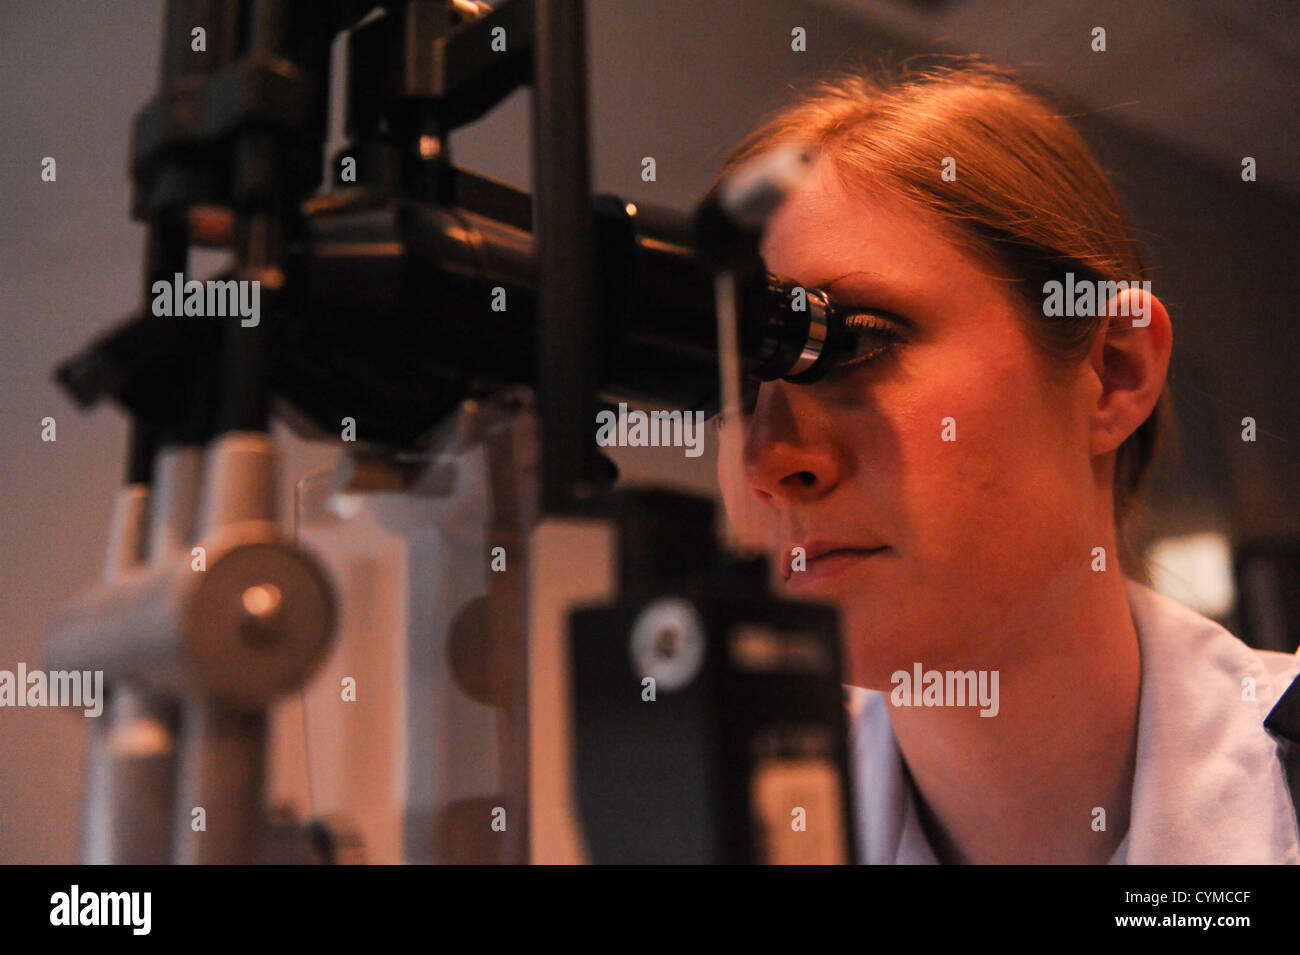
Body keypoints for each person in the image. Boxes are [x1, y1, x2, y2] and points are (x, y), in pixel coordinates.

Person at [711, 60, 1300, 864]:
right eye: (741, 375)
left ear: (1113, 372)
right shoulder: (728, 827)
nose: (771, 460)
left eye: (857, 342)